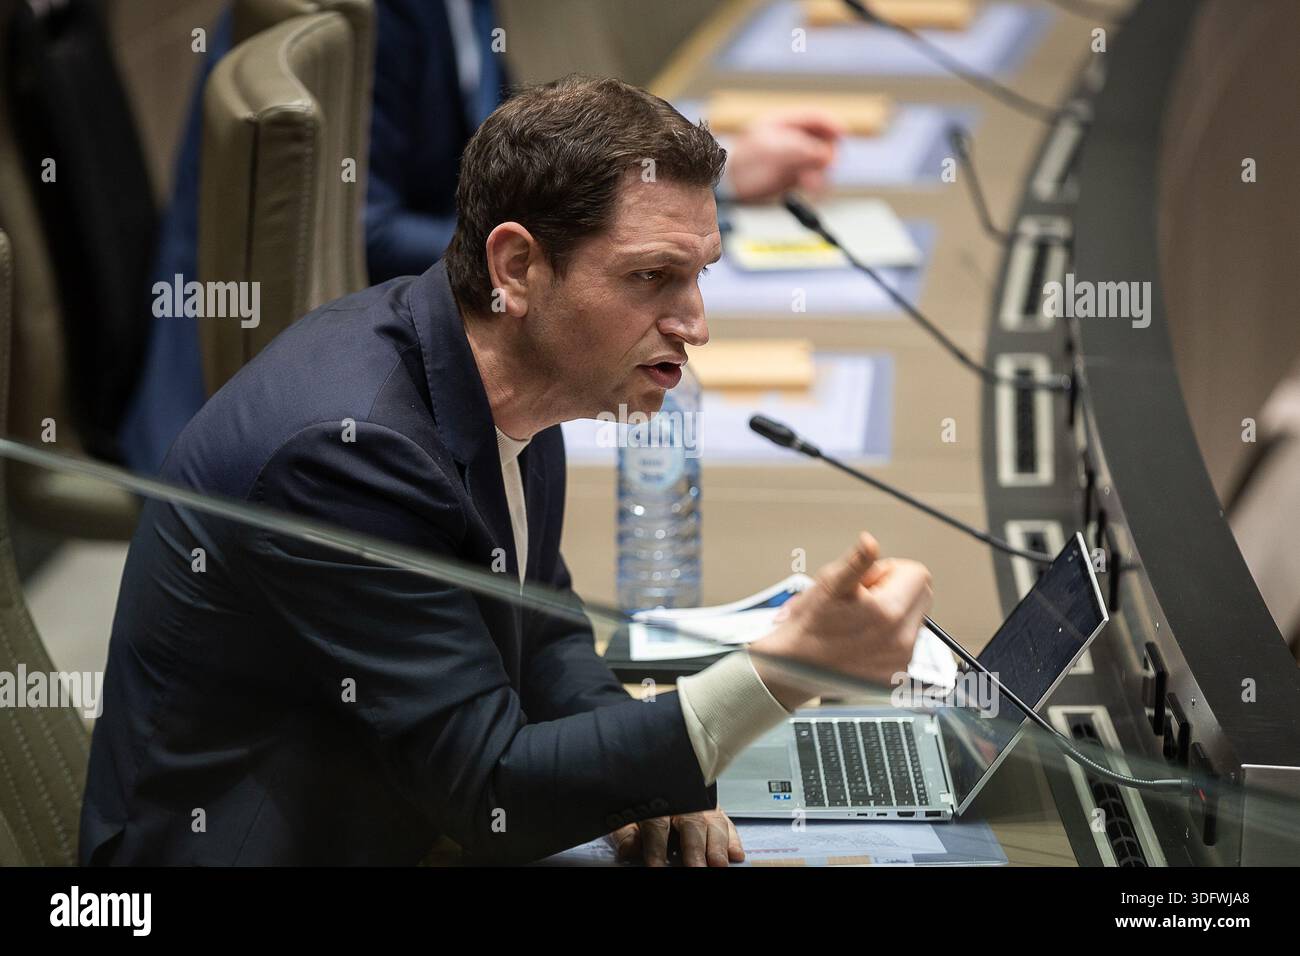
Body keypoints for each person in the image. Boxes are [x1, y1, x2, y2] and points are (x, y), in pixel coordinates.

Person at [80, 75, 929, 866]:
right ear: (517, 267)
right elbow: (491, 795)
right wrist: (775, 675)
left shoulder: (510, 364)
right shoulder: (346, 455)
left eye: (698, 275)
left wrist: (654, 778)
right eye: (651, 278)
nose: (694, 324)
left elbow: (541, 624)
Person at [117, 0, 843, 475]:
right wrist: (583, 256)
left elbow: (519, 153)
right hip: (308, 410)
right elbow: (365, 226)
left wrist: (682, 189)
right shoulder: (374, 10)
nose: (695, 320)